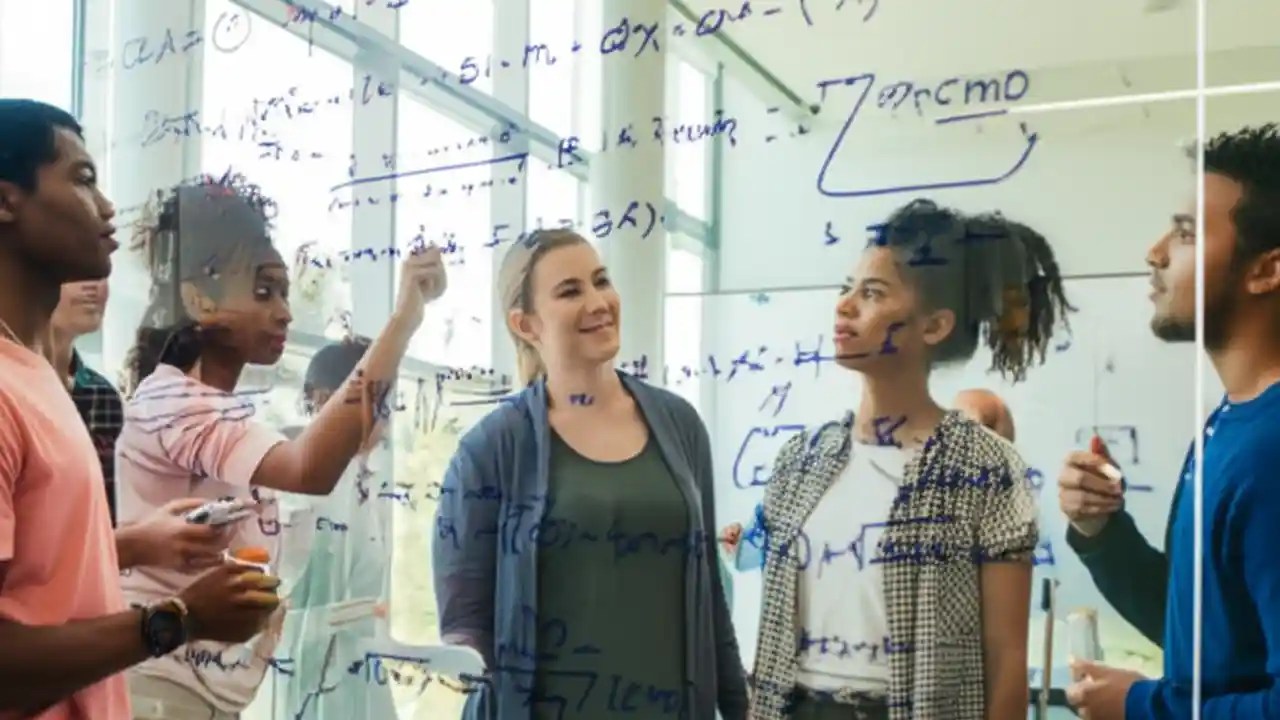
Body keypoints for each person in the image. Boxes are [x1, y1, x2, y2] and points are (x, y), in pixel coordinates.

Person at [723, 200, 1074, 720]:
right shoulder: (801, 459)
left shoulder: (985, 468)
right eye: (848, 288)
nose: (845, 306)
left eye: (872, 293)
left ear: (933, 326)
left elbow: (1005, 661)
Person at [114, 172, 446, 719]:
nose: (285, 313)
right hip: (158, 690)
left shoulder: (222, 414)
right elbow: (308, 468)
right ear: (199, 298)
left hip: (199, 691)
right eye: (264, 291)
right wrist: (405, 319)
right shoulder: (173, 399)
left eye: (285, 294)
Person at [0, 98, 280, 720]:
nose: (105, 208)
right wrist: (179, 619)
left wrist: (128, 542)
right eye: (81, 179)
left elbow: (35, 575)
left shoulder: (37, 375)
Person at [431, 229, 748, 719]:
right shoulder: (490, 449)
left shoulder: (680, 426)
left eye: (601, 281)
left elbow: (711, 600)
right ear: (526, 324)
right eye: (571, 291)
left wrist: (740, 708)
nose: (598, 301)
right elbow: (466, 629)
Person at [1063, 125, 1280, 719]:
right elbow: (1196, 630)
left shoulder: (1272, 449)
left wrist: (1144, 706)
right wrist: (1101, 533)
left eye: (1186, 234)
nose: (1155, 252)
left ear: (1267, 270)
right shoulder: (1230, 425)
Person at [47, 279, 232, 571]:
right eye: (74, 273)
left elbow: (109, 514)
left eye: (101, 274)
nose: (93, 286)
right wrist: (137, 545)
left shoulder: (101, 395)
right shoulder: (15, 390)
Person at [271, 337, 396, 719]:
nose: (388, 416)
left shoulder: (367, 482)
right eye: (380, 400)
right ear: (326, 400)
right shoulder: (294, 485)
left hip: (359, 668)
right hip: (309, 668)